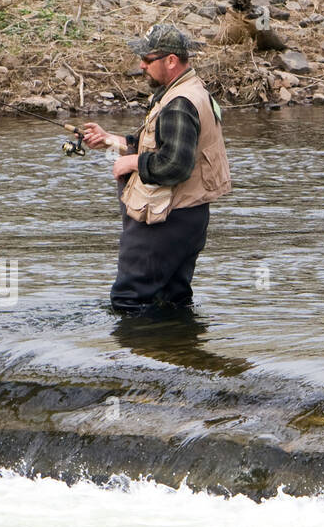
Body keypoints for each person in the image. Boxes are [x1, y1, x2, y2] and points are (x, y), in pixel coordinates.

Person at [81, 24, 231, 315]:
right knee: (172, 298)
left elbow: (175, 165)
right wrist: (111, 141)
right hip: (190, 216)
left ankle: (136, 361)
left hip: (166, 218)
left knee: (129, 300)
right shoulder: (191, 90)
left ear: (171, 60)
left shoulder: (178, 104)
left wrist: (132, 162)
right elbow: (163, 145)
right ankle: (177, 356)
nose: (141, 65)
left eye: (148, 59)